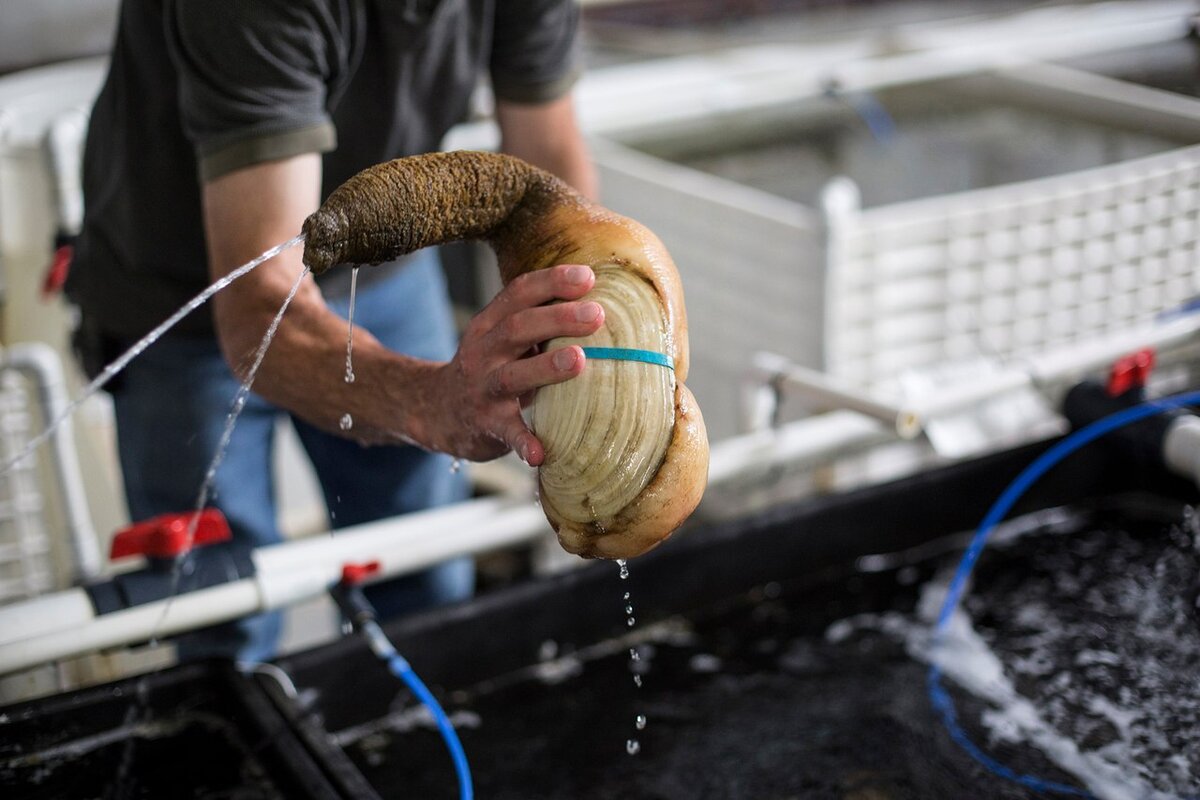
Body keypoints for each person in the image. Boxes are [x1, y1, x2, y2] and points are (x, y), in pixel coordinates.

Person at [65, 0, 603, 662]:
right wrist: (434, 402)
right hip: (183, 300)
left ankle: (417, 737)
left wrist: (607, 338)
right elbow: (261, 302)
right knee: (220, 608)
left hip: (388, 272)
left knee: (425, 572)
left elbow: (549, 155)